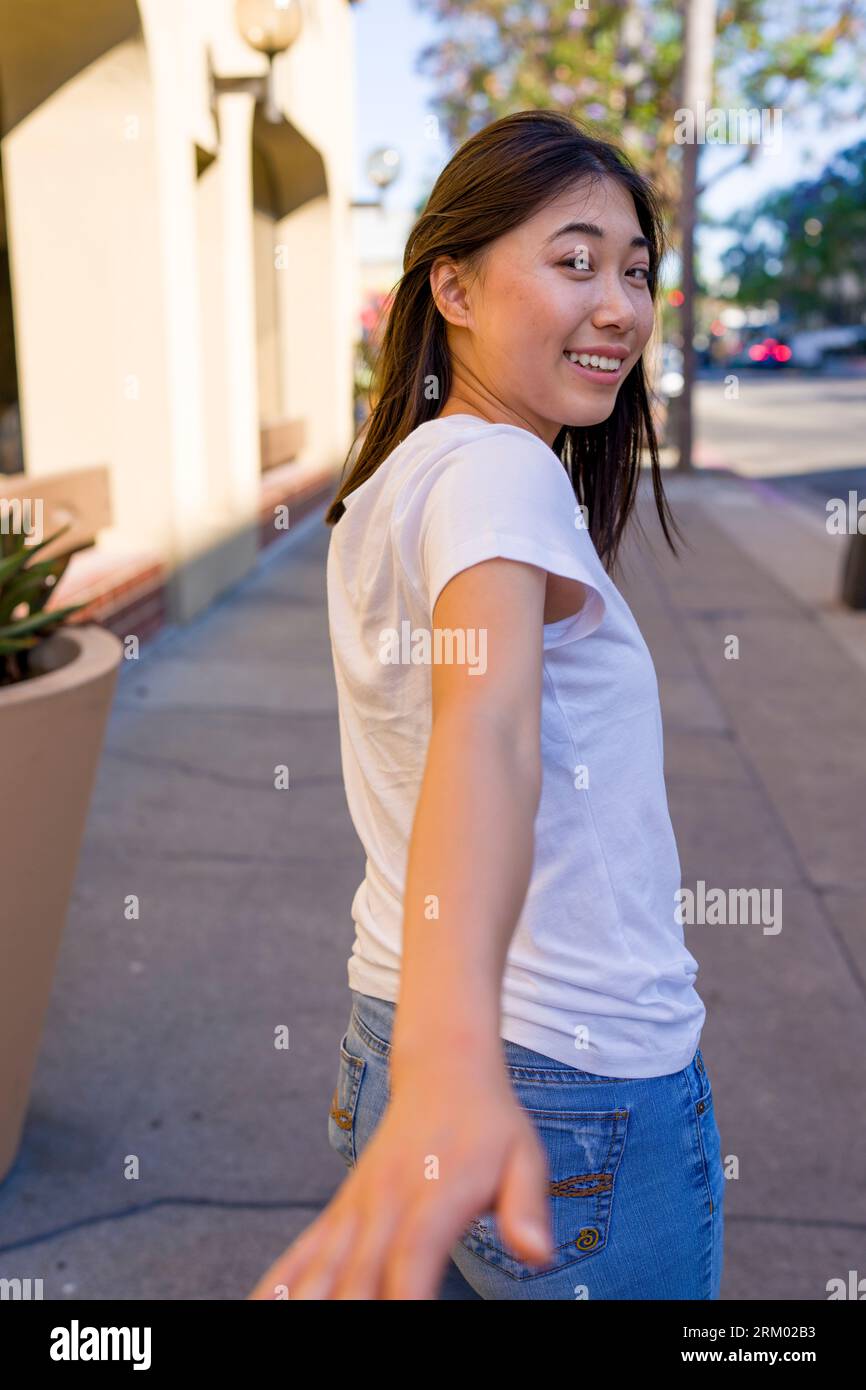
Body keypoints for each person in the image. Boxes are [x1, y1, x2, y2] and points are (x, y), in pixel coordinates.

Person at [248, 109, 724, 1301]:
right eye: (572, 261)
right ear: (451, 289)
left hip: (396, 1035)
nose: (617, 305)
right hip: (562, 1083)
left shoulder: (399, 481)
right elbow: (488, 727)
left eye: (633, 270)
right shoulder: (498, 470)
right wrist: (457, 1055)